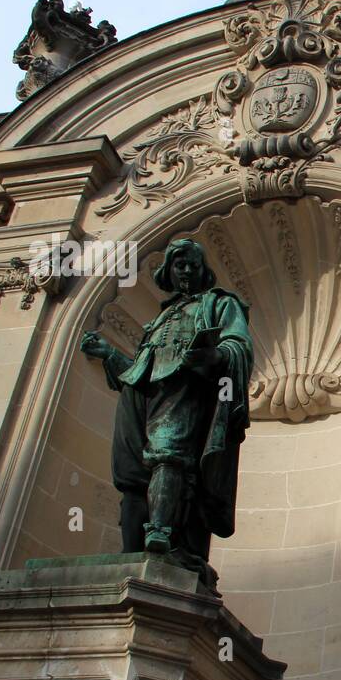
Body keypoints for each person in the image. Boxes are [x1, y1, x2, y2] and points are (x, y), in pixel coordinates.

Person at [80, 239, 253, 575]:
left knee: (168, 453)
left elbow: (239, 344)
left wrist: (215, 355)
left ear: (203, 270)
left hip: (187, 386)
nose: (186, 269)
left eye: (192, 264)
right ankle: (130, 554)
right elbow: (140, 371)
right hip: (143, 395)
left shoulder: (218, 303)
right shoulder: (161, 317)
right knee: (131, 473)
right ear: (169, 271)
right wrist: (109, 354)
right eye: (179, 264)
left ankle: (161, 533)